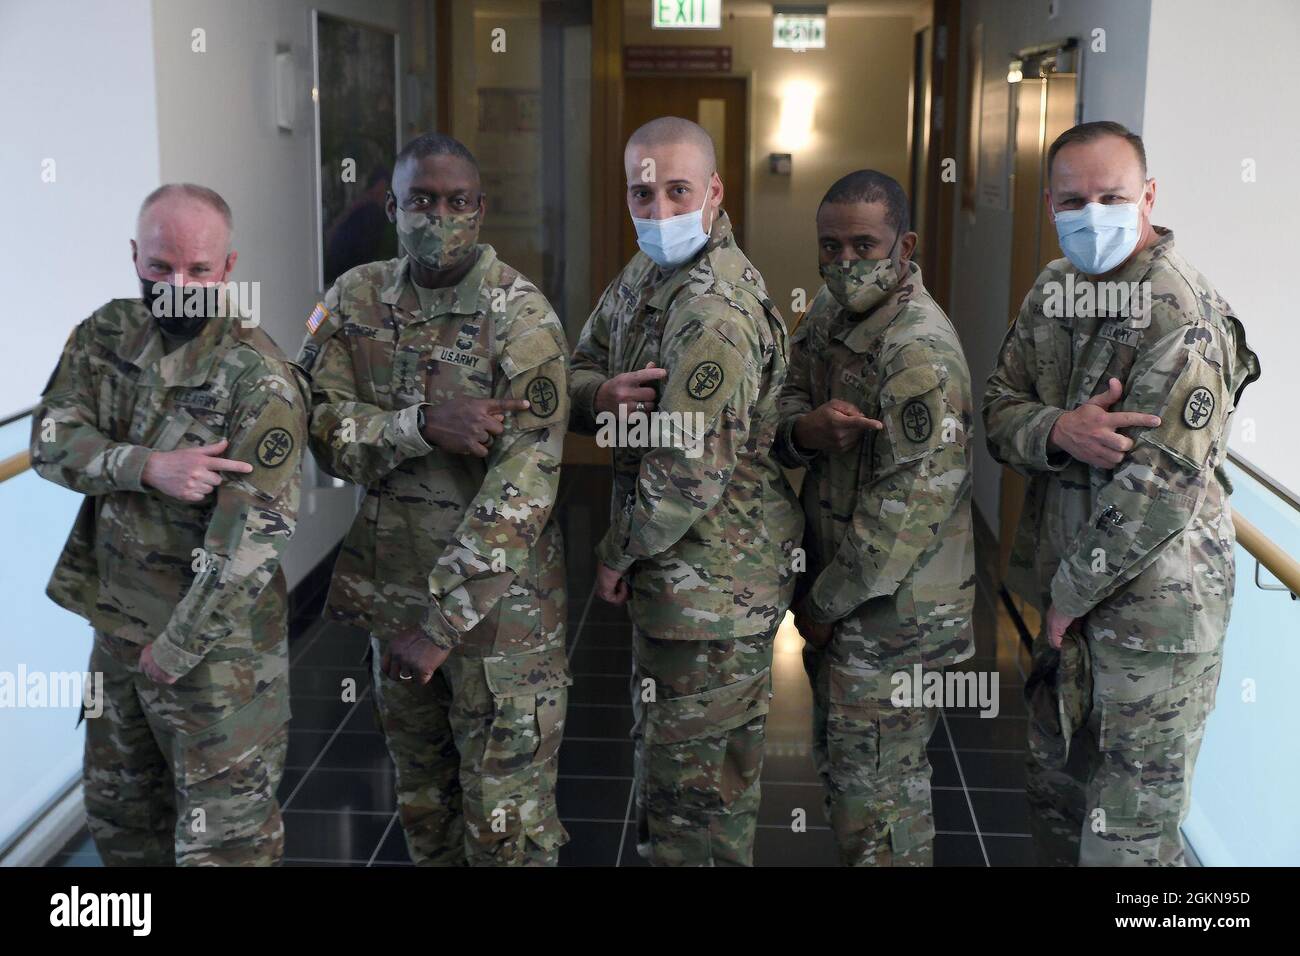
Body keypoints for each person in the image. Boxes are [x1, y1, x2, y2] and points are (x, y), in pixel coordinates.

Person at [983, 121, 1260, 866]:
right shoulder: (1054, 289)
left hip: (1154, 619)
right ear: (1050, 204)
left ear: (1149, 196)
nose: (1092, 213)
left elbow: (1159, 489)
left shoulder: (1183, 315)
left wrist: (1068, 598)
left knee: (1130, 834)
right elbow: (997, 412)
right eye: (1075, 199)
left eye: (1112, 195)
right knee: (1060, 794)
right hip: (1064, 601)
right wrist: (1057, 429)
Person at [297, 133, 571, 866]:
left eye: (455, 202)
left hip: (498, 626)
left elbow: (527, 487)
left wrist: (442, 624)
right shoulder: (354, 301)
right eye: (421, 200)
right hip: (395, 599)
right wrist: (419, 426)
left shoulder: (522, 317)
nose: (438, 216)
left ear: (480, 212)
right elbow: (318, 431)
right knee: (426, 807)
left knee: (505, 828)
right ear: (392, 207)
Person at [31, 183, 308, 865]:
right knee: (123, 824)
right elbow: (49, 440)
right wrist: (146, 465)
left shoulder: (258, 377)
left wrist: (174, 650)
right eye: (160, 267)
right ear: (134, 256)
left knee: (224, 847)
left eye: (199, 270)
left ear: (229, 267)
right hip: (118, 634)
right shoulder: (106, 333)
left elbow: (249, 544)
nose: (178, 285)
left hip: (212, 660)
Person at [569, 116, 802, 866]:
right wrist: (600, 393)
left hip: (713, 590)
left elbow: (686, 469)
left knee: (697, 812)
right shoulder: (646, 275)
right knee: (672, 778)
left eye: (678, 191)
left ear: (714, 191)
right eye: (643, 195)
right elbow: (577, 367)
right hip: (679, 583)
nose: (660, 212)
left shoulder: (714, 311)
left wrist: (615, 552)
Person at [775, 169, 975, 866]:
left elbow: (904, 518)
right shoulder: (831, 314)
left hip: (894, 615)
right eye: (830, 247)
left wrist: (822, 606)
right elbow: (783, 400)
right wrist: (804, 430)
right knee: (849, 782)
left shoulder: (918, 353)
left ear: (905, 244)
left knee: (881, 806)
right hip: (845, 597)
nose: (844, 262)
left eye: (864, 244)